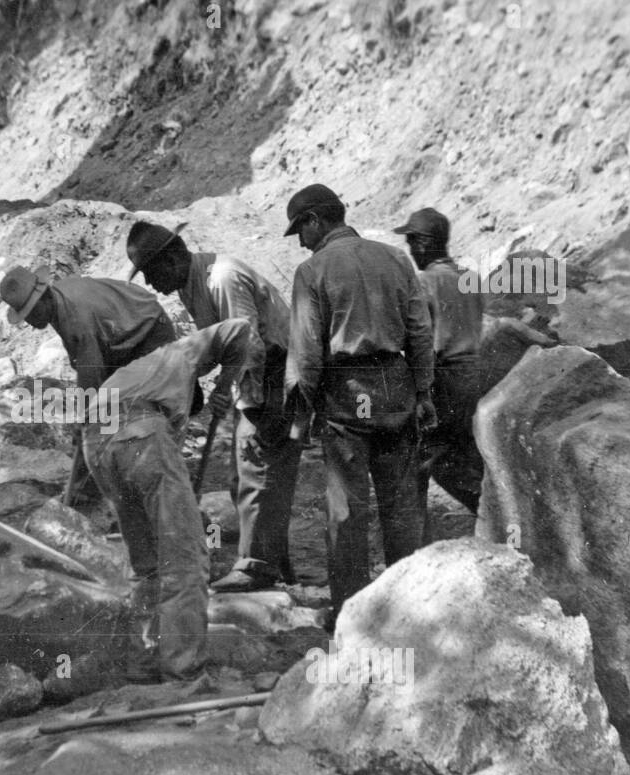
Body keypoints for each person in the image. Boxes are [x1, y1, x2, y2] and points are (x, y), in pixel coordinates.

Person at [283, 184, 436, 629]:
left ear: (315, 220)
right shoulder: (395, 259)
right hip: (396, 384)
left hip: (347, 391)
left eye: (300, 229)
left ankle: (352, 614)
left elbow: (307, 351)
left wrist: (305, 407)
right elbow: (420, 331)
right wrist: (423, 392)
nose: (299, 240)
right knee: (401, 504)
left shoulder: (311, 271)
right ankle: (408, 609)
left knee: (346, 508)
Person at [126, 221, 301, 590]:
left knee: (257, 468)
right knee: (245, 474)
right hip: (256, 374)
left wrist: (226, 389)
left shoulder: (221, 277)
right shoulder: (191, 284)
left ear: (175, 257)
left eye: (154, 271)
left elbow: (249, 340)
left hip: (273, 372)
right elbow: (221, 342)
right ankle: (276, 564)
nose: (152, 283)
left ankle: (256, 569)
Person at [83, 318, 257, 681]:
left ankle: (144, 663)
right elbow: (240, 328)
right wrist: (224, 387)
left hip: (96, 444)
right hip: (139, 434)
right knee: (185, 558)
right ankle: (183, 669)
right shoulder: (182, 354)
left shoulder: (143, 376)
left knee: (147, 563)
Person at [391, 207, 485, 524]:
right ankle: (496, 514)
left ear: (423, 243)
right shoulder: (469, 279)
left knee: (422, 458)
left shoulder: (424, 282)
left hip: (445, 376)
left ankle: (413, 538)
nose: (410, 250)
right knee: (463, 455)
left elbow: (417, 339)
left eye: (411, 242)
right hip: (477, 375)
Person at [0, 266, 176, 393]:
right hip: (127, 331)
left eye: (32, 311)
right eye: (25, 314)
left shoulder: (77, 320)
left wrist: (84, 425)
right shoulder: (57, 298)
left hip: (149, 331)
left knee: (145, 406)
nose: (30, 319)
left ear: (44, 297)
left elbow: (92, 376)